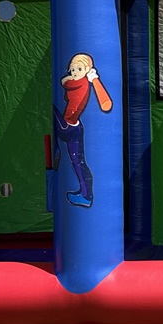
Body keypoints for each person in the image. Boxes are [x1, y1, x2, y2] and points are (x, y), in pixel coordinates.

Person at [53, 52, 112, 208]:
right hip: (76, 127)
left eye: (78, 69)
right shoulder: (86, 81)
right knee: (78, 162)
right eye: (72, 70)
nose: (74, 73)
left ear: (87, 69)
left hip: (67, 127)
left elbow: (65, 82)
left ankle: (86, 196)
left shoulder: (80, 83)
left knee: (53, 111)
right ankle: (86, 196)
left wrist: (78, 77)